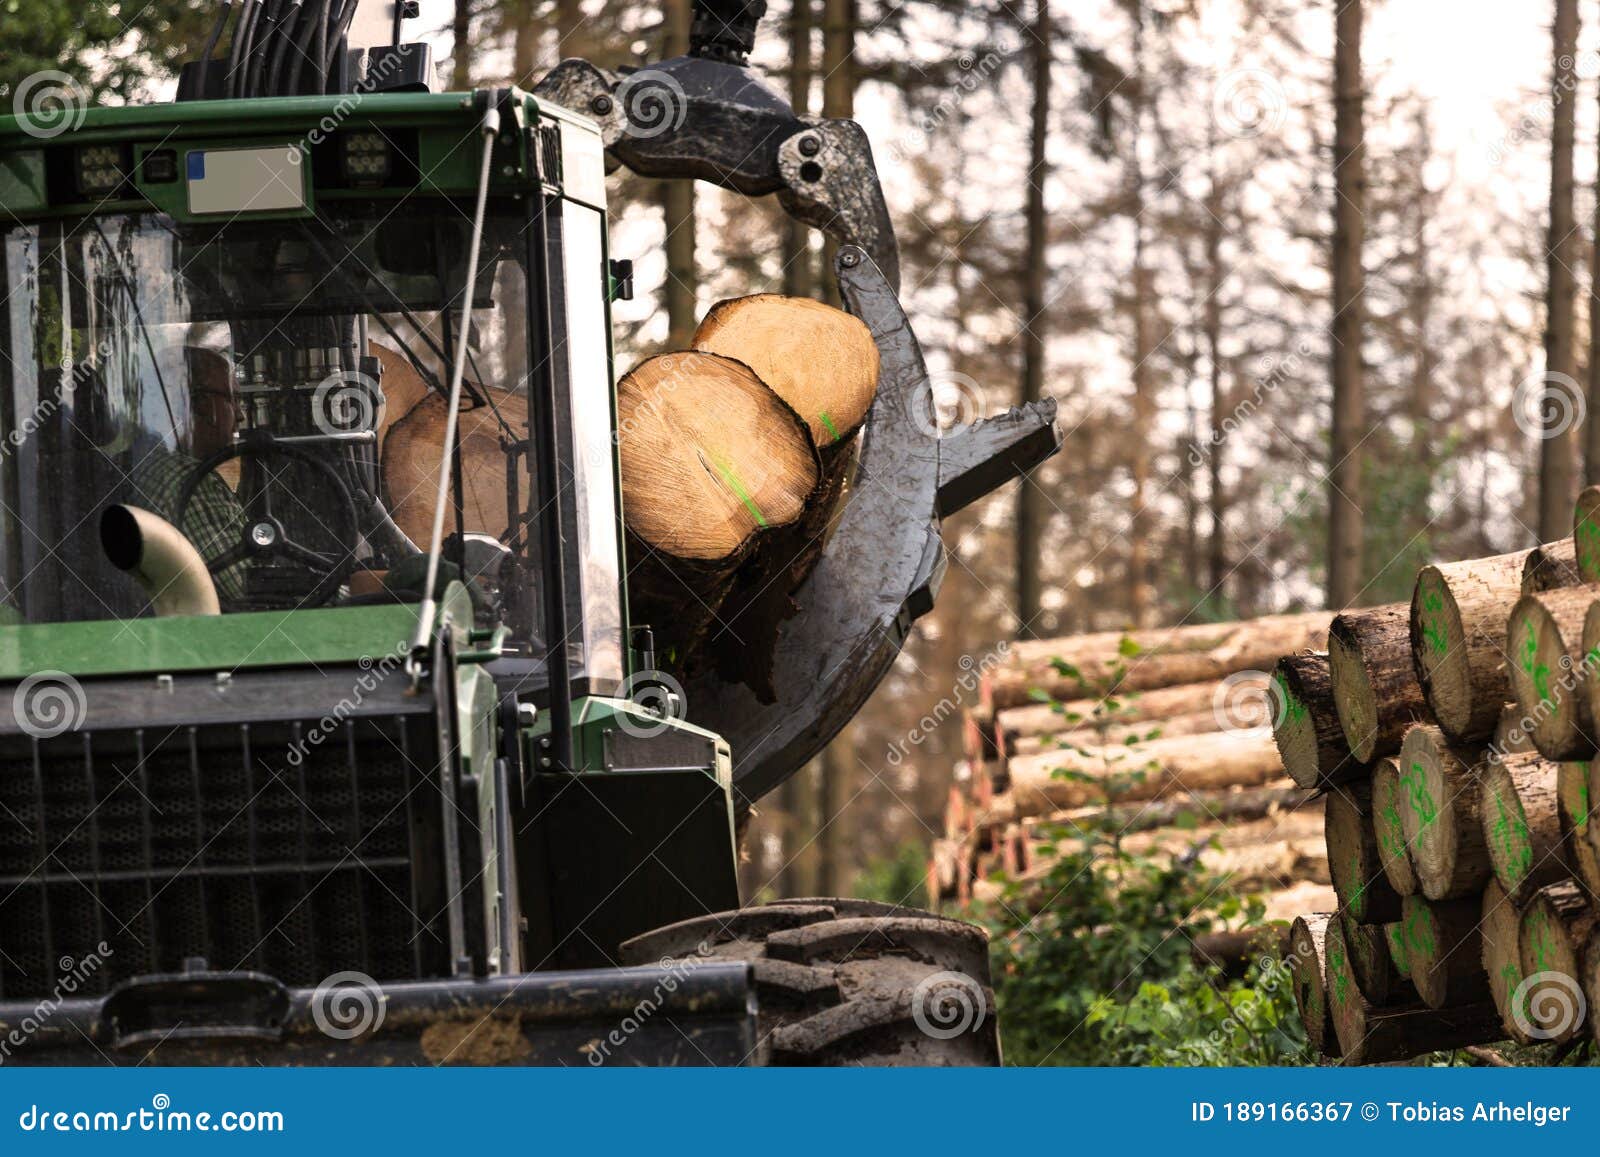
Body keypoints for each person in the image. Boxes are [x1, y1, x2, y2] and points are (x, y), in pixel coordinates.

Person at [126, 346, 249, 601]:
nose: (240, 414)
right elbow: (243, 588)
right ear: (201, 404)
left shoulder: (146, 463)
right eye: (232, 399)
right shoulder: (186, 480)